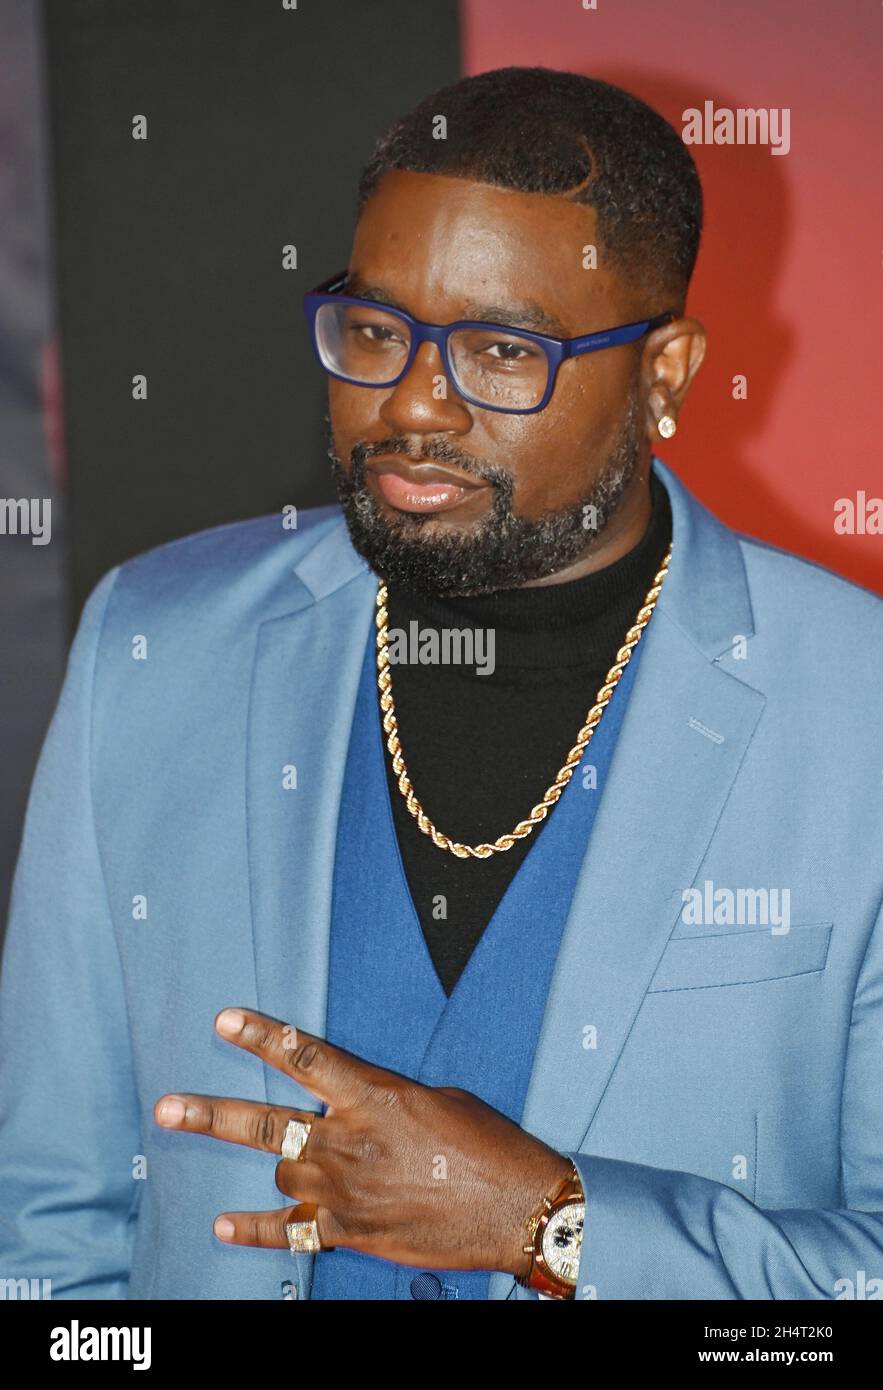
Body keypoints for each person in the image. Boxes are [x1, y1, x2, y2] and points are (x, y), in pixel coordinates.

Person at [1, 67, 881, 1302]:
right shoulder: (154, 647)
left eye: (500, 350)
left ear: (667, 373)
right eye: (375, 329)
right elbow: (43, 1231)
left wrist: (556, 1227)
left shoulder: (857, 711)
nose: (410, 401)